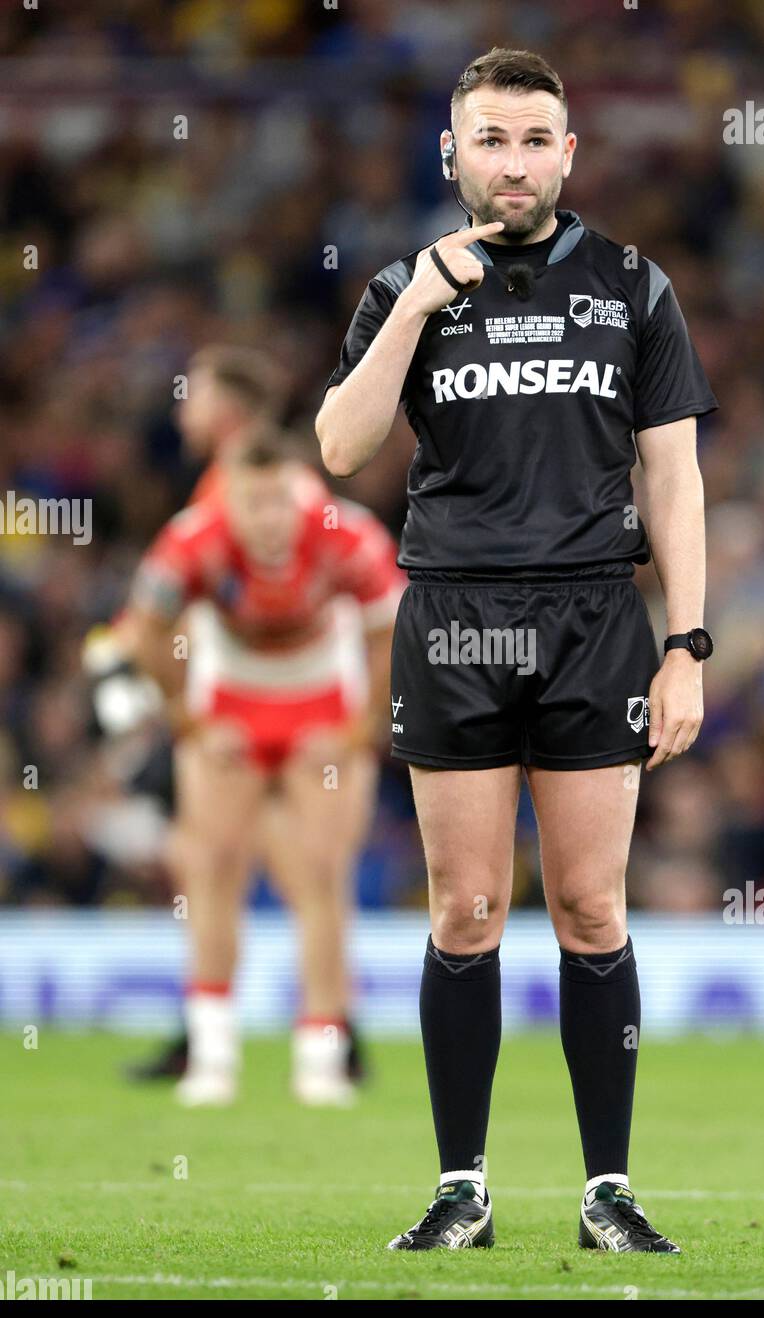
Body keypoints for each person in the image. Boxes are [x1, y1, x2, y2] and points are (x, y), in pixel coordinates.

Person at [316, 48, 718, 1250]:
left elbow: (673, 479)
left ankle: (607, 1192)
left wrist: (687, 643)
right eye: (489, 139)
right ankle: (461, 1189)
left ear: (567, 155)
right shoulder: (400, 286)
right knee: (468, 908)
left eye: (534, 140)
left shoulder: (632, 286)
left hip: (597, 616)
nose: (513, 163)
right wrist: (417, 306)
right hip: (451, 615)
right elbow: (340, 447)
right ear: (452, 153)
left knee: (592, 908)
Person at [122, 426, 404, 1106]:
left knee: (322, 877)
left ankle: (321, 1058)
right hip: (229, 706)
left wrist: (357, 734)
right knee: (212, 868)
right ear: (230, 500)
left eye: (280, 501)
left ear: (302, 494)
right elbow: (140, 629)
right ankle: (212, 1057)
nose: (269, 519)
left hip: (321, 705)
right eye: (254, 503)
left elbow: (394, 637)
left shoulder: (349, 535)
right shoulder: (194, 536)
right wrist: (188, 723)